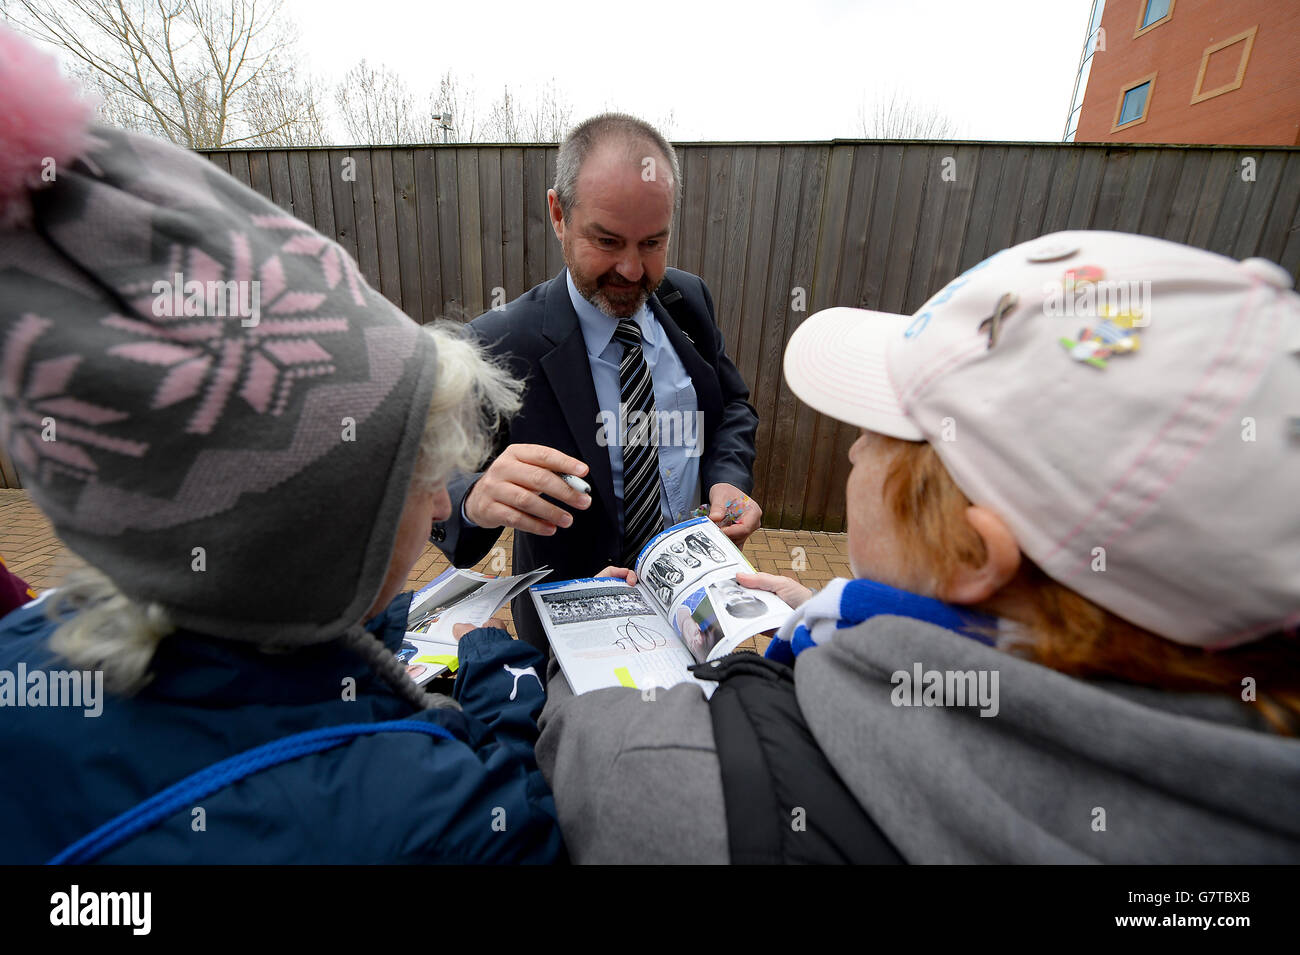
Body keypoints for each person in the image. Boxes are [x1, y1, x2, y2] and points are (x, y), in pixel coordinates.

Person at [536, 230, 1300, 864]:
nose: (853, 453)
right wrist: (846, 615)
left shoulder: (682, 784)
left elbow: (599, 759)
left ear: (970, 554)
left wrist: (578, 653)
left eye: (881, 434)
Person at [0, 26, 560, 864]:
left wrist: (394, 609)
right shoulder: (416, 813)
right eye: (412, 476)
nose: (445, 501)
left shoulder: (31, 647)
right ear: (308, 532)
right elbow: (516, 821)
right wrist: (502, 678)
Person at [431, 113, 761, 653]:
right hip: (574, 637)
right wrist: (474, 498)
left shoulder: (688, 300)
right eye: (607, 241)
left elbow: (731, 408)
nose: (633, 271)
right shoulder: (500, 342)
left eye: (653, 243)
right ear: (559, 214)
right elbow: (435, 480)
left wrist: (729, 477)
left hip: (696, 612)